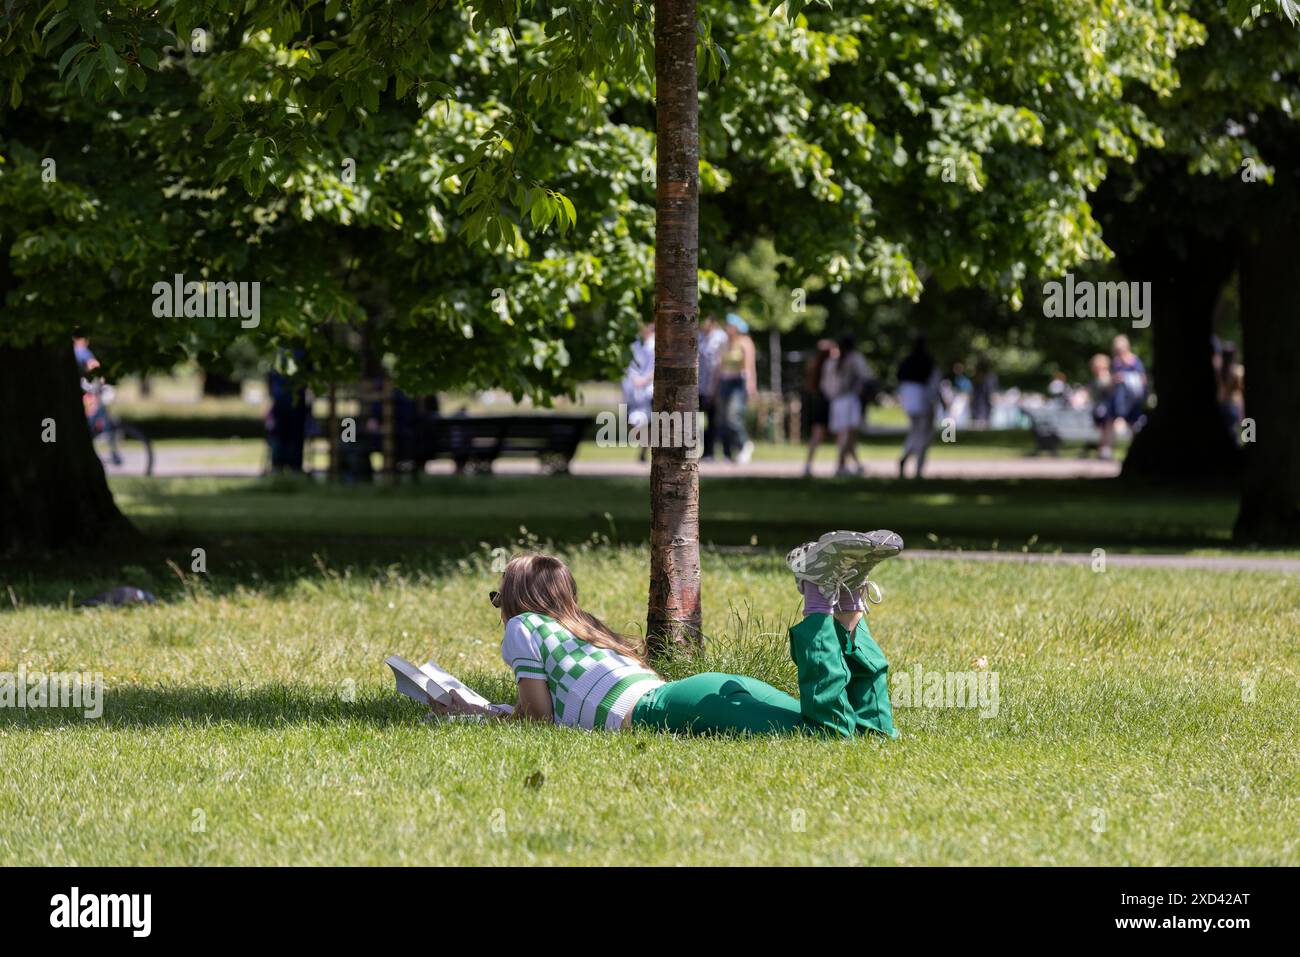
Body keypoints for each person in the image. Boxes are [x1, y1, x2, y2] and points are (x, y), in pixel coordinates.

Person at [428, 530, 902, 738]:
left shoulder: (522, 626)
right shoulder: (584, 629)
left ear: (514, 599)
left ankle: (819, 594)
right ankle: (850, 599)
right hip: (695, 694)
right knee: (869, 733)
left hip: (669, 709)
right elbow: (543, 706)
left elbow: (536, 717)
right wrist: (481, 708)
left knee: (827, 735)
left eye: (499, 598)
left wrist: (473, 718)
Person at [823, 334, 872, 477]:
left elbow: (825, 384)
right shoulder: (854, 359)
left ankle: (855, 464)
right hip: (849, 399)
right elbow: (866, 377)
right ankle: (840, 464)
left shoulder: (831, 362)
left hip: (835, 401)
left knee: (844, 435)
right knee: (849, 435)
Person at [896, 335, 944, 479]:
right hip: (923, 401)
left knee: (915, 431)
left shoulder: (906, 362)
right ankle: (918, 466)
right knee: (924, 434)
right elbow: (935, 384)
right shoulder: (928, 362)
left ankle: (906, 456)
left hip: (909, 402)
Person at [714, 313, 757, 464]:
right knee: (723, 420)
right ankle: (729, 453)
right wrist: (715, 387)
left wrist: (751, 386)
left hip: (738, 383)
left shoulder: (745, 342)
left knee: (733, 417)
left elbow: (750, 367)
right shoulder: (724, 343)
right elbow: (719, 367)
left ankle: (745, 444)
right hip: (724, 382)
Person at [1099, 334, 1147, 460]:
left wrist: (1128, 379)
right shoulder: (1116, 362)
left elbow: (1143, 380)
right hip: (1117, 398)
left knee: (1134, 424)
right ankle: (1106, 451)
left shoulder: (1135, 361)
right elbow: (1110, 383)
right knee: (1109, 422)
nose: (1119, 352)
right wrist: (1115, 379)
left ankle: (1138, 452)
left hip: (1132, 399)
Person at [74, 337, 120, 465]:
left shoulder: (75, 351)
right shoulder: (82, 351)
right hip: (87, 394)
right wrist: (101, 381)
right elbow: (94, 365)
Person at [801, 339, 837, 478]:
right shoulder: (831, 366)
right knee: (843, 434)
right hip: (830, 401)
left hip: (821, 401)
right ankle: (844, 465)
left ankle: (808, 464)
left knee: (817, 436)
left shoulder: (815, 366)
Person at [621, 322, 655, 462]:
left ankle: (645, 451)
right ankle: (644, 447)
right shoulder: (634, 344)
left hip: (651, 389)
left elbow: (658, 366)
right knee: (634, 424)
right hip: (634, 389)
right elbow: (629, 365)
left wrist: (645, 379)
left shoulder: (656, 344)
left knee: (652, 424)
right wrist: (634, 378)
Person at [697, 315, 729, 461]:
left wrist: (715, 389)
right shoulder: (697, 336)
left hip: (715, 384)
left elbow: (721, 363)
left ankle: (710, 452)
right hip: (698, 385)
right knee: (692, 419)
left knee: (713, 420)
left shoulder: (721, 337)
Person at [970, 357, 997, 427]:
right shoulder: (989, 376)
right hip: (980, 399)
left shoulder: (989, 376)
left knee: (983, 413)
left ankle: (983, 424)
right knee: (981, 413)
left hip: (983, 399)